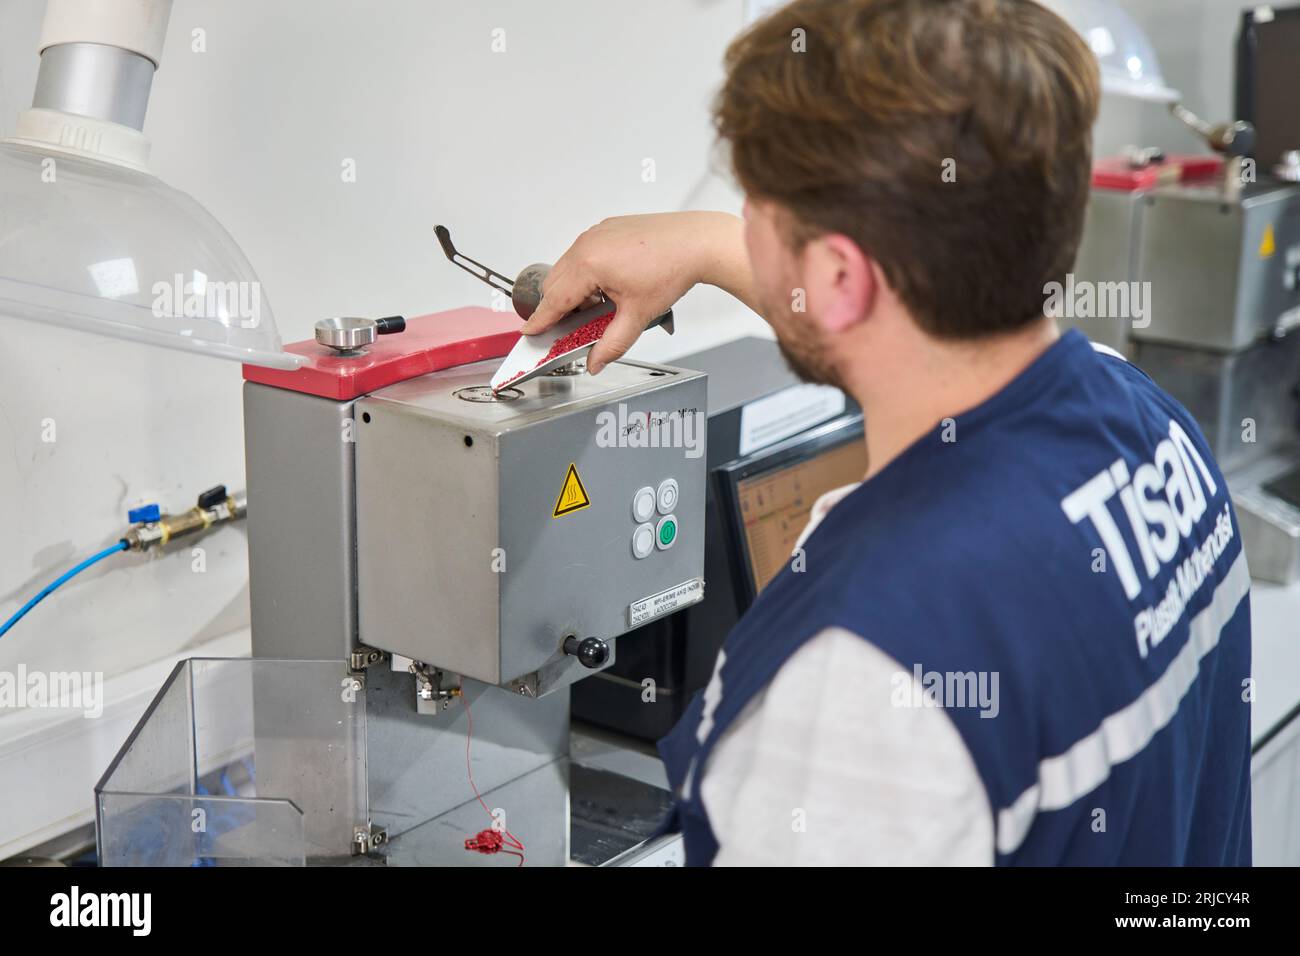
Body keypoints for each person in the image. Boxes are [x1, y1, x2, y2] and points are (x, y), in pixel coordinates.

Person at [523, 0, 1252, 865]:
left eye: (754, 207)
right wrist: (711, 248)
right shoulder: (1155, 430)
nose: (746, 228)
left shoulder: (860, 688)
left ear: (839, 275)